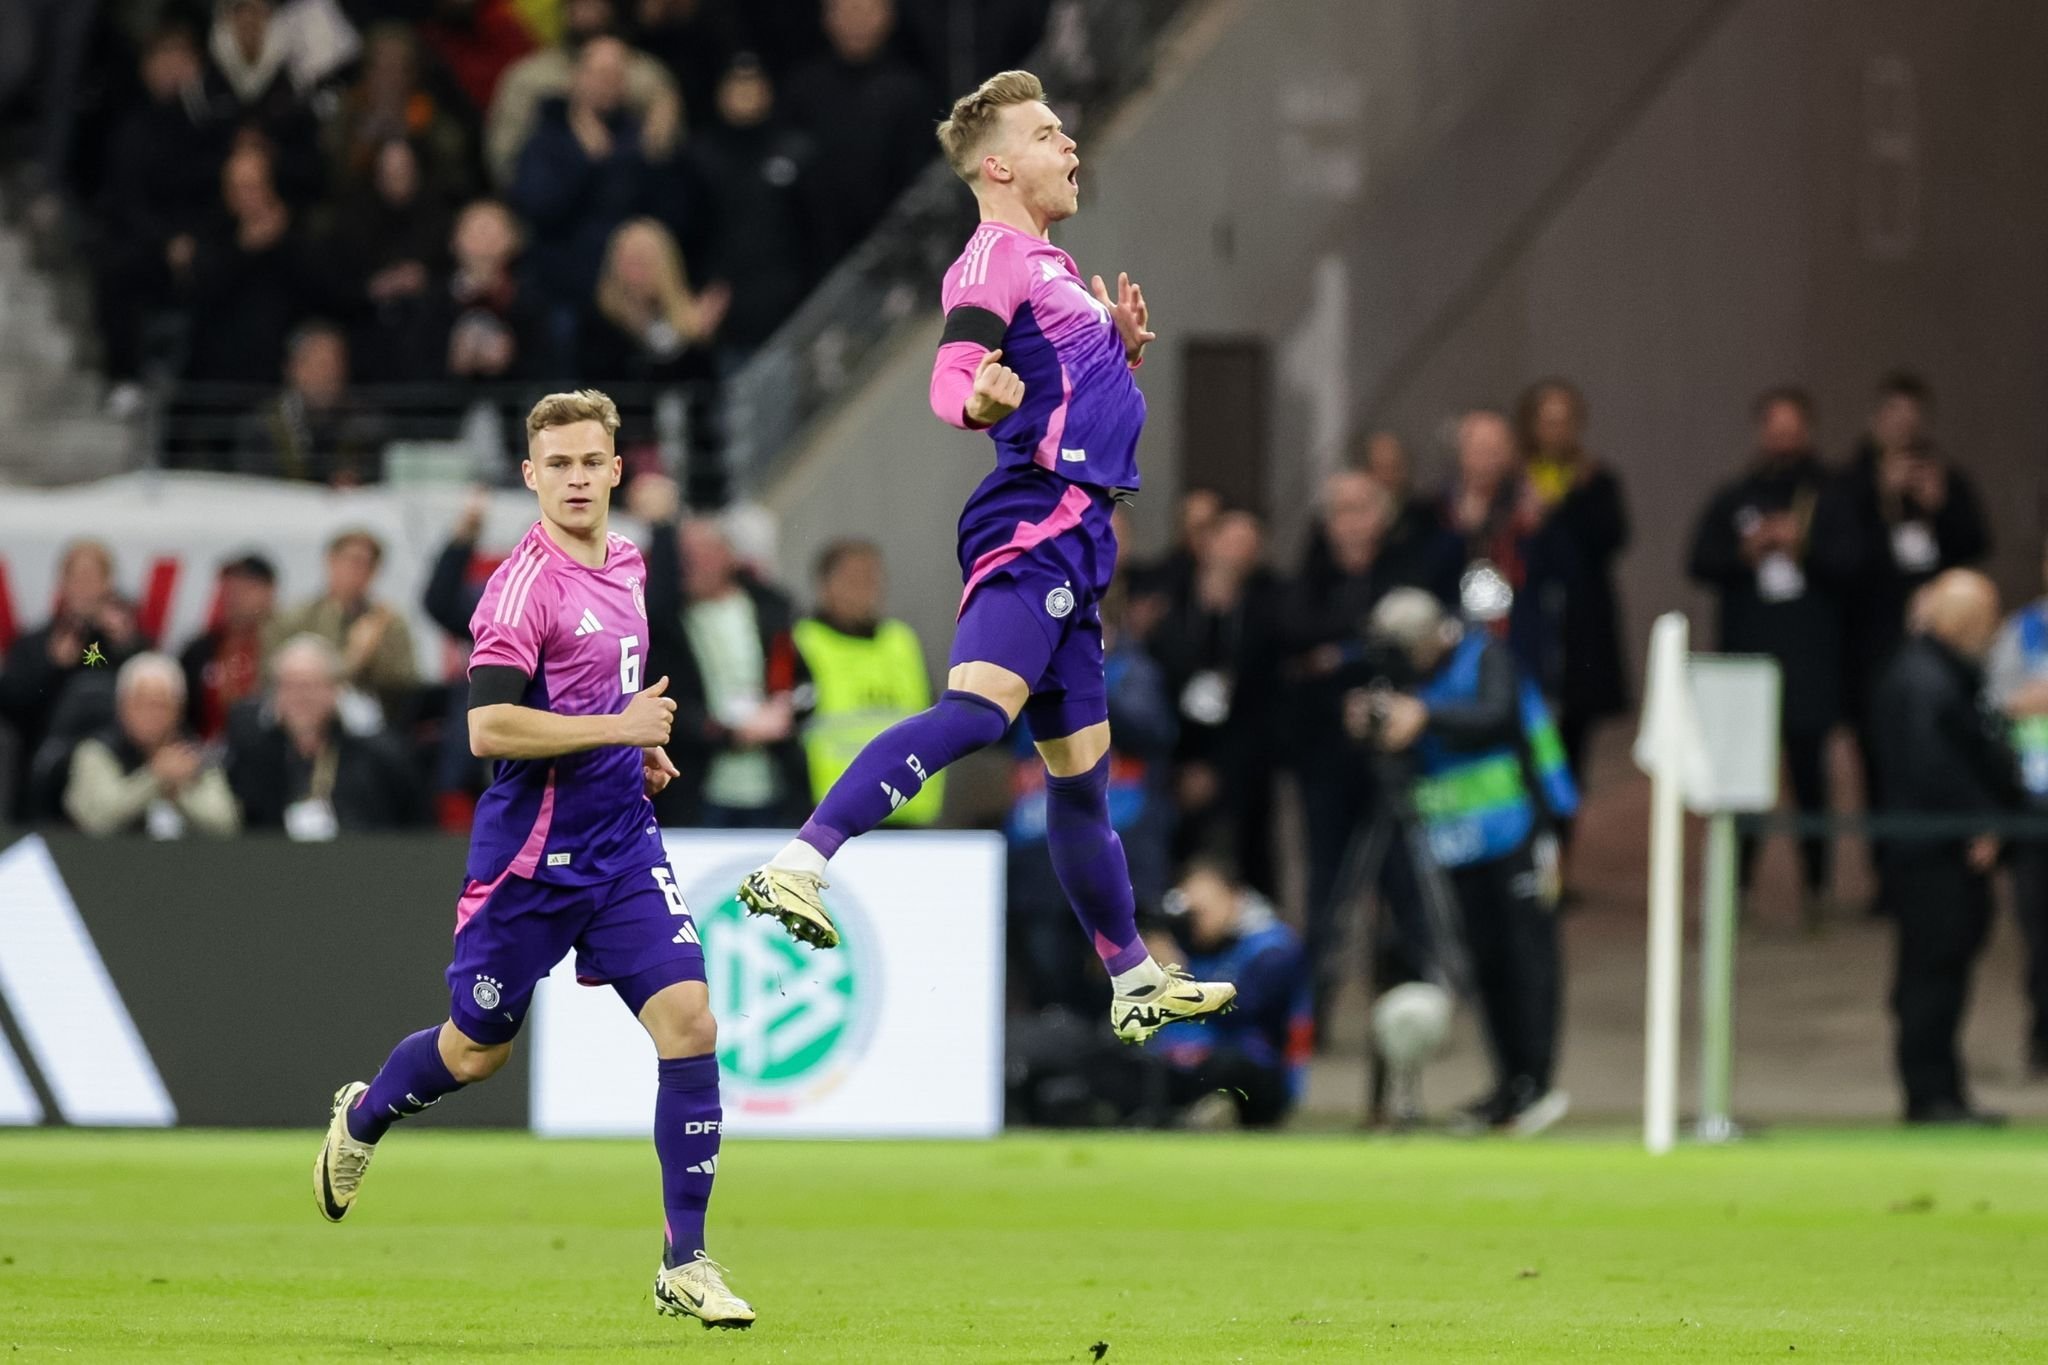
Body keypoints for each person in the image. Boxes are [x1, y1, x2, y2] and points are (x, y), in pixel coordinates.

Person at [739, 69, 1236, 1043]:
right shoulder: (990, 257)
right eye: (1049, 134)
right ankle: (799, 860)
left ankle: (1131, 974)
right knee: (974, 713)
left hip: (1078, 535)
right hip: (1037, 520)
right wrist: (975, 403)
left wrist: (1117, 353)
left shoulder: (1050, 268)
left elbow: (1057, 388)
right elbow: (952, 374)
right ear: (999, 164)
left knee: (1082, 780)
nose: (1070, 146)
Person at [311, 389, 757, 1328]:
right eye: (557, 465)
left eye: (591, 461)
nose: (577, 478)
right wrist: (617, 726)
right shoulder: (522, 587)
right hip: (530, 859)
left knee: (691, 1023)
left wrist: (635, 747)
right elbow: (487, 726)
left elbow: (608, 694)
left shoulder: (629, 562)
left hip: (623, 843)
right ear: (531, 476)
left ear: (616, 467)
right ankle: (365, 1116)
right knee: (475, 1053)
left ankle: (687, 1260)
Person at [1345, 588, 1577, 1134]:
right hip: (1456, 840)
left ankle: (1537, 1082)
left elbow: (1496, 716)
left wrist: (1424, 716)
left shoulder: (1486, 656)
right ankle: (1507, 1084)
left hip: (1519, 830)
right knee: (1486, 963)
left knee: (1530, 958)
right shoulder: (1410, 681)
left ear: (1427, 638)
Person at [1686, 388, 1856, 917]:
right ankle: (1734, 890)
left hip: (1810, 656)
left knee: (1811, 779)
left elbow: (1856, 565)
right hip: (1747, 658)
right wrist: (1748, 549)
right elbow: (1700, 562)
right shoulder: (1736, 496)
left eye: (1792, 427)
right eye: (1773, 427)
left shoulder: (1832, 495)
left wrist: (1804, 546)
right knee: (1743, 781)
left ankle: (1818, 888)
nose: (1783, 437)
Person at [1869, 570, 2022, 1124]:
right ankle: (1931, 1094)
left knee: (1943, 973)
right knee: (1930, 975)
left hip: (1937, 848)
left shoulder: (1939, 674)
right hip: (1932, 854)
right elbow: (1930, 764)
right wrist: (1978, 822)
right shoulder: (1924, 678)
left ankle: (1943, 1092)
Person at [1829, 372, 1992, 822]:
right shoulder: (1850, 486)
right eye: (1895, 418)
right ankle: (1889, 875)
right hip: (1873, 647)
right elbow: (1839, 562)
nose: (1904, 430)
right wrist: (1879, 500)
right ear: (1876, 420)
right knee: (1879, 762)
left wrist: (1941, 507)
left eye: (1913, 420)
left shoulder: (1943, 479)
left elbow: (1975, 545)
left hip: (1940, 645)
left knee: (1945, 747)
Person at [641, 510, 809, 827]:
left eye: (700, 553)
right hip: (697, 788)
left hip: (774, 784)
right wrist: (726, 734)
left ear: (728, 557)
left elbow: (804, 683)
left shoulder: (771, 611)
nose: (688, 564)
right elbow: (661, 696)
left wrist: (784, 713)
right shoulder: (666, 625)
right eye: (683, 555)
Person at [1146, 508, 1284, 895]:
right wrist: (1182, 768)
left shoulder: (1264, 617)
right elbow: (1155, 697)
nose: (1239, 553)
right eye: (1232, 540)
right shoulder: (1168, 611)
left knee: (1247, 864)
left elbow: (1263, 705)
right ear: (1208, 543)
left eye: (1250, 545)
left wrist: (1219, 771)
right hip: (1174, 765)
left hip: (1240, 772)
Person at [91, 23, 228, 404]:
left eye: (180, 58)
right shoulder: (130, 127)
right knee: (116, 268)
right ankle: (125, 377)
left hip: (201, 243)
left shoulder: (211, 121)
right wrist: (167, 241)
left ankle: (199, 392)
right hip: (147, 244)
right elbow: (126, 200)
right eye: (161, 58)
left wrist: (191, 240)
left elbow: (219, 195)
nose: (171, 68)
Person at [1516, 379, 1630, 787]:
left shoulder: (1594, 482)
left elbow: (1611, 539)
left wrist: (1561, 508)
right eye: (1547, 422)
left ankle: (1559, 842)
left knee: (1568, 757)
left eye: (1564, 422)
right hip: (1524, 635)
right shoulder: (1513, 483)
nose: (1555, 431)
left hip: (1578, 636)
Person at [1146, 856, 1312, 1128]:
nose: (1195, 920)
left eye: (1204, 910)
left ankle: (1215, 1110)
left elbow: (1243, 1008)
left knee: (1228, 1066)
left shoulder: (1273, 950)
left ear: (1235, 898)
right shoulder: (1182, 940)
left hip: (1254, 1068)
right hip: (1177, 1061)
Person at [682, 53, 824, 358]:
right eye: (736, 85)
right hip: (731, 314)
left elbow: (819, 232)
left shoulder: (797, 151)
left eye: (753, 84)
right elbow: (692, 232)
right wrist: (702, 289)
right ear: (719, 93)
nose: (745, 94)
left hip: (794, 310)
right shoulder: (700, 158)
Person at [791, 539, 941, 824]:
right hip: (831, 818)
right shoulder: (803, 642)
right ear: (825, 586)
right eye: (853, 580)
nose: (866, 590)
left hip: (909, 813)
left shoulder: (902, 641)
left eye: (873, 578)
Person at [0, 540, 143, 823]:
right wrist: (51, 665)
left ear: (108, 584)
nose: (84, 588)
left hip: (116, 757)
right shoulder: (35, 643)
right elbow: (11, 705)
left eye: (93, 578)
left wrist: (124, 646)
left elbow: (156, 693)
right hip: (44, 762)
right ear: (62, 584)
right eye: (77, 578)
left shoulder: (125, 642)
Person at [782, 0, 935, 261]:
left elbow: (919, 179)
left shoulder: (910, 90)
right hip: (815, 251)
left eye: (866, 11)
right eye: (846, 10)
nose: (857, 22)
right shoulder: (803, 89)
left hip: (893, 250)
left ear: (889, 17)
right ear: (827, 18)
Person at [225, 634, 422, 835]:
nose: (300, 697)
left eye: (310, 686)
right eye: (289, 686)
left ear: (334, 690)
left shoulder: (376, 757)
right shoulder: (255, 758)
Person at [485, 0, 681, 187]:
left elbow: (669, 160)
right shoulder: (529, 78)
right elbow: (505, 162)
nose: (586, 6)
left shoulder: (649, 77)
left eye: (611, 76)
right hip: (544, 199)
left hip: (633, 199)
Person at [1985, 534, 2048, 1077]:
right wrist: (2021, 703)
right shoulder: (2021, 630)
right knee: (2040, 934)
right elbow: (1990, 706)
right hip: (2032, 803)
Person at [63, 653, 239, 838]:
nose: (151, 715)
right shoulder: (96, 752)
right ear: (122, 706)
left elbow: (225, 825)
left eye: (161, 705)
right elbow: (98, 820)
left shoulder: (193, 756)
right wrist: (154, 778)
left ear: (179, 710)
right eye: (141, 704)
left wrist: (181, 792)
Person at [266, 529, 421, 722]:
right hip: (303, 717)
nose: (358, 571)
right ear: (330, 561)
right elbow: (273, 676)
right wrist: (353, 656)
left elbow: (406, 683)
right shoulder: (297, 618)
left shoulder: (389, 622)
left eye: (368, 564)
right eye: (351, 560)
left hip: (375, 721)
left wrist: (375, 653)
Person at [236, 322, 389, 485]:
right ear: (293, 368)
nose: (330, 375)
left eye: (336, 364)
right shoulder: (262, 425)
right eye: (320, 365)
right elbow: (254, 487)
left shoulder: (366, 421)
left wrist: (357, 478)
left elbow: (381, 471)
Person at [180, 552, 279, 744]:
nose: (234, 595)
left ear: (270, 592)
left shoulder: (287, 649)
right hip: (208, 755)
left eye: (246, 587)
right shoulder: (199, 650)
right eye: (229, 586)